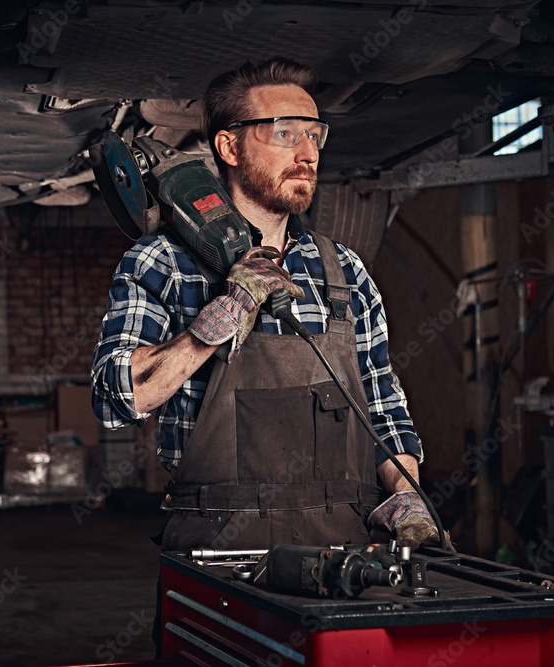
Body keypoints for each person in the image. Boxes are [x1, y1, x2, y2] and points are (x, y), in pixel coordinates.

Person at [91, 56, 440, 557]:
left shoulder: (343, 270)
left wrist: (406, 496)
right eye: (284, 134)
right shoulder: (161, 261)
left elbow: (382, 407)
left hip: (343, 545)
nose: (306, 152)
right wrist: (220, 318)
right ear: (229, 146)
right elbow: (114, 400)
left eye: (314, 135)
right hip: (220, 547)